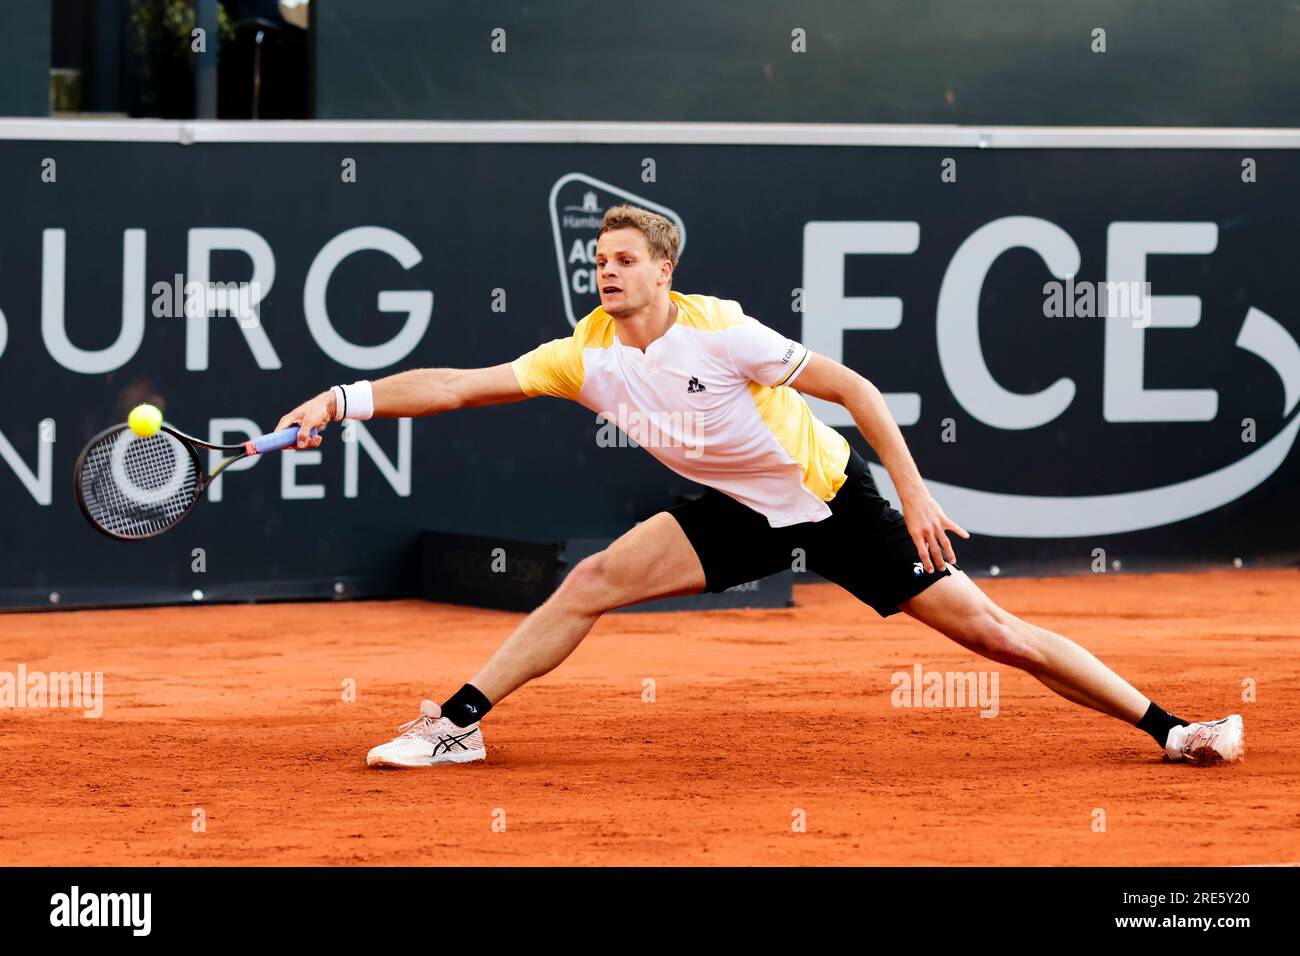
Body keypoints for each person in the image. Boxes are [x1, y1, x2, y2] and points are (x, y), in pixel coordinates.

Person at [276, 205, 1244, 770]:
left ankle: (1173, 728)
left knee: (994, 632)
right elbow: (455, 384)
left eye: (623, 260)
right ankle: (456, 724)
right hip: (735, 512)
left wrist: (910, 494)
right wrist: (345, 397)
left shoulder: (723, 332)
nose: (604, 272)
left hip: (831, 503)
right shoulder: (584, 355)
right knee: (588, 583)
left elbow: (857, 390)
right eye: (598, 260)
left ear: (663, 270)